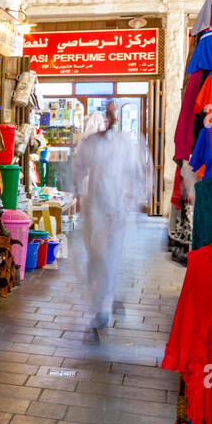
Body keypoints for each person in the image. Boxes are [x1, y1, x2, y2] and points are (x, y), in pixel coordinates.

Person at [71, 100, 152, 334]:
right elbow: (78, 169)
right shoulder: (91, 143)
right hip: (95, 209)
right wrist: (77, 192)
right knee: (96, 257)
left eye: (114, 114)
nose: (111, 118)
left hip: (118, 210)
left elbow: (139, 172)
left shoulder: (127, 144)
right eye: (108, 114)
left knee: (113, 257)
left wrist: (137, 199)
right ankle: (102, 302)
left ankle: (103, 307)